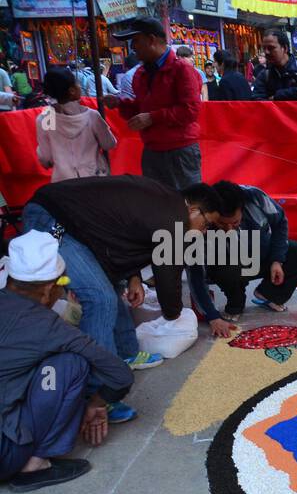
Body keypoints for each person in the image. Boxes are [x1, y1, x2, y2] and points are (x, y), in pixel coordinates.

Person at [21, 176, 238, 419]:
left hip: (77, 226)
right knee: (99, 298)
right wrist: (173, 313)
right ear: (194, 210)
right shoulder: (173, 218)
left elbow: (121, 233)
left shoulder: (164, 203)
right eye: (207, 225)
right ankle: (98, 393)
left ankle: (126, 352)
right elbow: (169, 275)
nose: (203, 231)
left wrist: (133, 277)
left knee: (108, 287)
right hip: (52, 221)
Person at [0, 232, 133, 491]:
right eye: (64, 282)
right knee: (70, 364)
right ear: (50, 288)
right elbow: (120, 374)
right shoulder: (45, 325)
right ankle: (35, 466)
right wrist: (97, 402)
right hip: (5, 454)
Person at [102, 18, 202, 191]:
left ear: (151, 40)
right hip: (152, 151)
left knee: (185, 205)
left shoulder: (182, 70)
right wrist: (120, 104)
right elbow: (142, 108)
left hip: (179, 151)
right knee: (158, 203)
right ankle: (169, 221)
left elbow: (190, 111)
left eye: (136, 41)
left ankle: (178, 221)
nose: (132, 47)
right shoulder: (141, 73)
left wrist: (152, 118)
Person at [201, 180, 297, 316]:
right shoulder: (202, 214)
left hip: (261, 254)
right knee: (225, 269)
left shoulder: (255, 197)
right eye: (221, 223)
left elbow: (280, 223)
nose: (229, 229)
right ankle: (236, 301)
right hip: (227, 264)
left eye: (235, 222)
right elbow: (196, 270)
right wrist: (211, 314)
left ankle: (269, 294)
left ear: (242, 207)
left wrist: (277, 260)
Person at [35, 68, 118, 182]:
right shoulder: (91, 116)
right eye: (77, 83)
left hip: (63, 180)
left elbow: (46, 157)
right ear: (72, 90)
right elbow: (109, 144)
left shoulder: (46, 118)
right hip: (95, 177)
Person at [253, 30, 297, 101]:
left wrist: (277, 96)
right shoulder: (264, 75)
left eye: (271, 48)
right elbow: (257, 101)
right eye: (264, 48)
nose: (266, 52)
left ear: (285, 48)